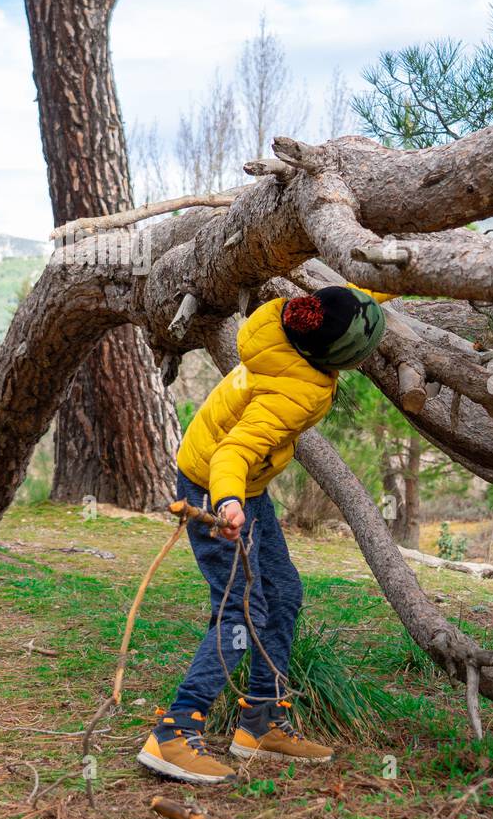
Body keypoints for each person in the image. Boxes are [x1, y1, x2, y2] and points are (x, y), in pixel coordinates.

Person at [137, 284, 394, 784]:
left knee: (282, 594)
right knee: (241, 609)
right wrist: (228, 501)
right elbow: (233, 452)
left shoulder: (285, 327)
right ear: (342, 358)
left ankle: (260, 719)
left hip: (240, 486)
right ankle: (174, 731)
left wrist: (409, 275)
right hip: (217, 485)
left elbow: (350, 302)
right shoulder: (295, 390)